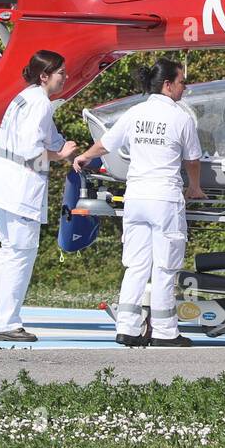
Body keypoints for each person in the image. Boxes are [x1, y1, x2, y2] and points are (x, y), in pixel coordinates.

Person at [72, 58, 205, 347]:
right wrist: (194, 187)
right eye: (182, 82)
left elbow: (107, 143)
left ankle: (127, 328)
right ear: (168, 85)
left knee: (136, 265)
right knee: (165, 266)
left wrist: (84, 156)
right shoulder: (181, 117)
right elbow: (192, 160)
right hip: (164, 198)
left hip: (136, 198)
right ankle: (165, 332)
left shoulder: (136, 112)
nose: (185, 87)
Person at [0, 50, 79, 342]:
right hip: (20, 188)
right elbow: (33, 151)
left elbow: (47, 135)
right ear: (44, 75)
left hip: (2, 185)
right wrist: (59, 156)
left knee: (8, 251)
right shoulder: (41, 104)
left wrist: (67, 150)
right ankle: (7, 323)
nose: (65, 77)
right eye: (61, 73)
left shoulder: (25, 98)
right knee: (21, 254)